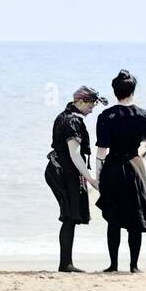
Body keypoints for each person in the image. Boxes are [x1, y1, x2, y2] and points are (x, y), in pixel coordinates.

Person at [95, 70, 146, 273]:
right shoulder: (144, 115)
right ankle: (134, 266)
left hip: (112, 167)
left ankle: (113, 265)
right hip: (134, 166)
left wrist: (97, 177)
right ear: (133, 90)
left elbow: (102, 151)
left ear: (115, 92)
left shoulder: (106, 116)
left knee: (113, 218)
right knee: (135, 218)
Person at [44, 86, 104, 272]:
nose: (93, 108)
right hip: (63, 171)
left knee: (69, 216)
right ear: (80, 101)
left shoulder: (65, 116)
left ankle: (66, 262)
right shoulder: (72, 121)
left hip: (58, 169)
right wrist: (92, 179)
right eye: (91, 104)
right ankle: (66, 264)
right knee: (69, 216)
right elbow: (75, 154)